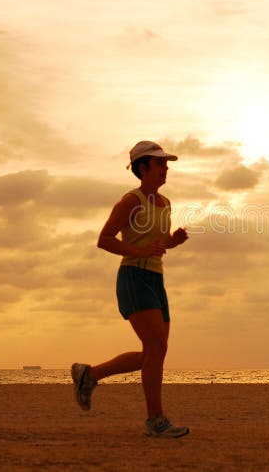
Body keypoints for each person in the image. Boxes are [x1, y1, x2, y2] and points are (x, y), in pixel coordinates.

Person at [71, 140, 190, 438]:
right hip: (133, 278)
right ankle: (155, 421)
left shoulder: (165, 204)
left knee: (155, 352)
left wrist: (173, 241)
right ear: (142, 167)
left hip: (156, 279)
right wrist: (140, 252)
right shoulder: (130, 201)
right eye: (160, 164)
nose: (166, 169)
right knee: (156, 349)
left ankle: (90, 374)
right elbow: (105, 239)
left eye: (166, 164)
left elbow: (156, 245)